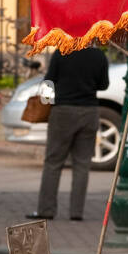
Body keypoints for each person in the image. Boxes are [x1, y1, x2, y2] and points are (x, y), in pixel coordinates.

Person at [28, 45, 108, 221]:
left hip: (63, 111)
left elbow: (49, 81)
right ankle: (76, 212)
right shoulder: (98, 55)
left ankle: (46, 210)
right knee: (82, 164)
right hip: (90, 112)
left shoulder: (63, 51)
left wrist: (47, 103)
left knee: (53, 162)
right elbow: (104, 85)